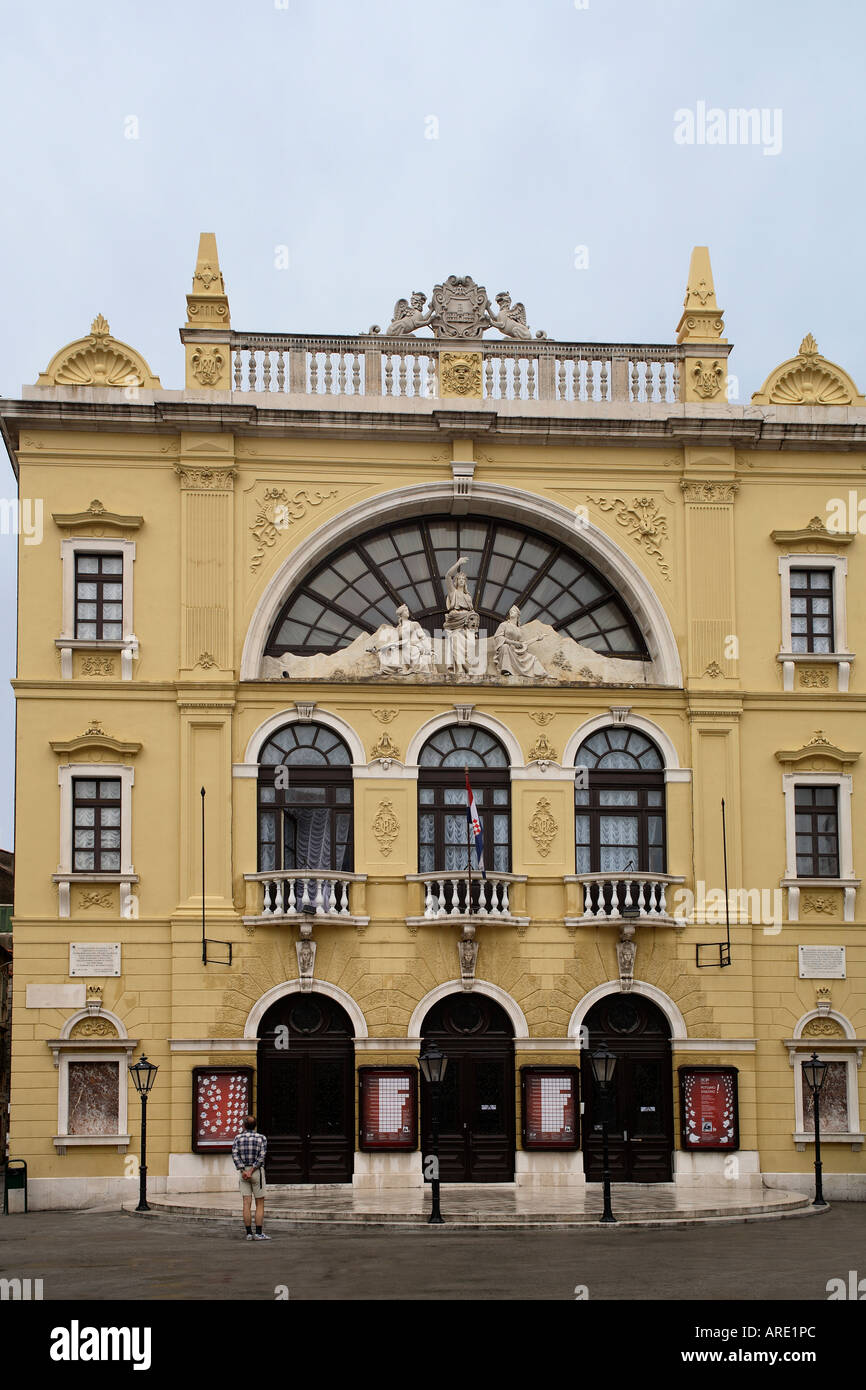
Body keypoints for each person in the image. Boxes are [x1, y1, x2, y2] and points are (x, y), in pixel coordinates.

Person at [231, 1114, 270, 1240]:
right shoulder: (261, 1138)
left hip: (243, 1173)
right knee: (260, 1203)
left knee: (246, 1203)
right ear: (255, 1125)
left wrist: (243, 1170)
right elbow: (262, 1156)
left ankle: (248, 1233)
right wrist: (252, 1169)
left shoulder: (238, 1138)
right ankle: (258, 1233)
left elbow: (235, 1155)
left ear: (243, 1125)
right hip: (256, 1171)